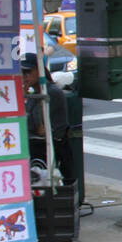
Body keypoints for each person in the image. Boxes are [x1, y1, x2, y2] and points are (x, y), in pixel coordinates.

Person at [21, 53, 76, 185]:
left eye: (28, 72)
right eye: (22, 72)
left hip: (49, 151)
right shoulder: (34, 93)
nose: (24, 77)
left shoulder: (50, 93)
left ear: (39, 71)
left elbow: (41, 128)